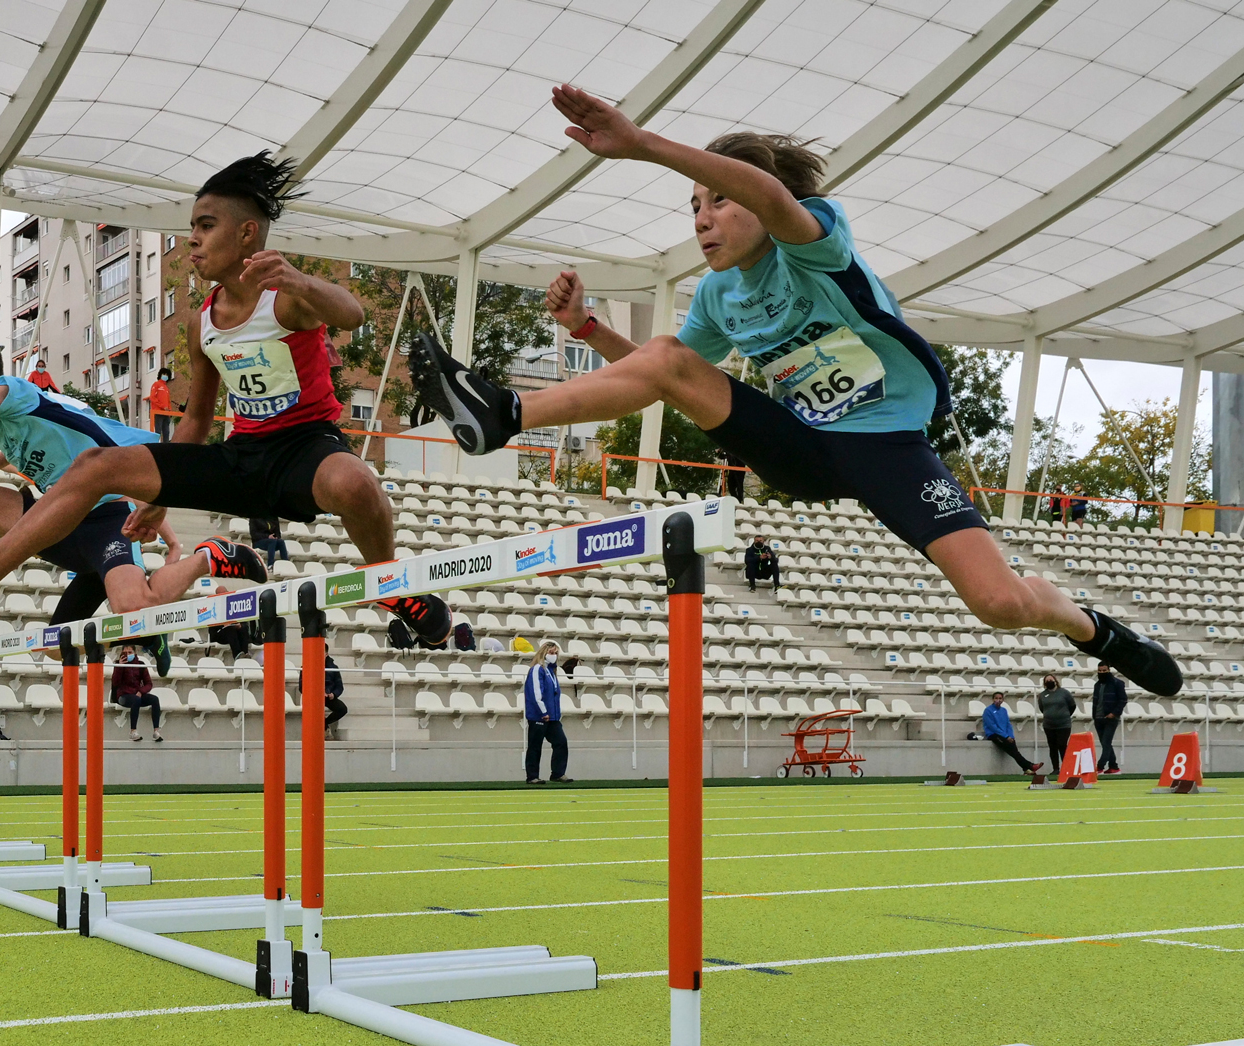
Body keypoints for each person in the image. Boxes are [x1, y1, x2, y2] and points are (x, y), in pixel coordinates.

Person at [407, 85, 1179, 698]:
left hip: (886, 446)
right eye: (695, 209)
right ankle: (504, 412)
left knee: (1000, 603)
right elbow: (661, 371)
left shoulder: (813, 242)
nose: (704, 221)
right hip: (801, 448)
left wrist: (641, 144)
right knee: (674, 354)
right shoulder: (720, 297)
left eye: (717, 200)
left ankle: (1095, 629)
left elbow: (774, 202)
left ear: (761, 198)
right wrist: (587, 329)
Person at [0, 153, 450, 647]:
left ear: (247, 235)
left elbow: (350, 315)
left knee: (355, 482)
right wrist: (161, 496)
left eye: (206, 226)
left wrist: (301, 280)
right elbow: (199, 415)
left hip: (305, 449)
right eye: (191, 227)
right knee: (95, 466)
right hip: (240, 455)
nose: (194, 239)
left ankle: (388, 580)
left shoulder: (286, 300)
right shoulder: (204, 322)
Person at [0, 333, 265, 651]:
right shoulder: (3, 426)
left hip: (105, 519)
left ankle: (209, 557)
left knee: (134, 612)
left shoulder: (14, 393)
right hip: (56, 521)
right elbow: (6, 460)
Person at [523, 641, 569, 784]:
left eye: (555, 653)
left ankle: (557, 773)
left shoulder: (551, 671)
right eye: (551, 653)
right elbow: (537, 692)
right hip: (540, 715)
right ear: (544, 653)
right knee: (535, 746)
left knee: (561, 742)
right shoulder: (538, 669)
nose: (554, 656)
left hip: (553, 717)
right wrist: (543, 711)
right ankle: (532, 776)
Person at [969, 691, 1040, 775]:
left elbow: (1008, 724)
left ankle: (1027, 768)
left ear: (1003, 700)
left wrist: (1011, 736)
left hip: (1005, 735)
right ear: (992, 699)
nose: (998, 700)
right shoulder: (988, 711)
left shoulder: (1004, 710)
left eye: (1000, 698)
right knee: (1013, 750)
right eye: (996, 698)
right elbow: (992, 727)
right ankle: (1030, 766)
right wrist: (1006, 736)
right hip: (994, 734)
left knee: (1014, 750)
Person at [111, 644, 162, 742]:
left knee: (154, 699)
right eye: (125, 653)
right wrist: (120, 667)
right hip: (123, 695)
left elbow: (149, 684)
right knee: (136, 700)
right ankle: (133, 731)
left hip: (137, 693)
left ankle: (156, 731)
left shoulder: (140, 665)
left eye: (130, 652)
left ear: (135, 653)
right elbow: (115, 682)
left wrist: (141, 691)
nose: (127, 654)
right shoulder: (118, 664)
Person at [1037, 674, 1077, 772]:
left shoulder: (1064, 693)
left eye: (1051, 680)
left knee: (1062, 744)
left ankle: (1066, 767)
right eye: (1047, 680)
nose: (1049, 682)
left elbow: (1072, 705)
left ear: (1055, 681)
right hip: (1049, 725)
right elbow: (1042, 708)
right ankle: (1056, 768)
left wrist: (1064, 715)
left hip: (1063, 724)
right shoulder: (1042, 695)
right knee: (1052, 747)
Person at [1092, 662, 1126, 775]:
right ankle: (1114, 767)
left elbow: (1123, 700)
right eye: (1100, 670)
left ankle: (1100, 766)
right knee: (1105, 743)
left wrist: (1114, 713)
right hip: (1098, 717)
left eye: (1104, 670)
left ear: (1109, 670)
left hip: (1110, 718)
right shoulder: (1097, 685)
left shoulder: (1117, 683)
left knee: (1106, 742)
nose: (1101, 672)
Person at [303, 652, 346, 737]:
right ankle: (321, 730)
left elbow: (339, 686)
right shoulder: (307, 666)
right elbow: (302, 686)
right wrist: (317, 692)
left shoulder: (334, 668)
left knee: (342, 709)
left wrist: (333, 694)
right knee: (315, 709)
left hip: (328, 697)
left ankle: (324, 723)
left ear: (326, 654)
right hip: (313, 696)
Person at [148, 369, 175, 440]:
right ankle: (156, 446)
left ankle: (166, 448)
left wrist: (170, 410)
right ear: (160, 374)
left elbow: (168, 401)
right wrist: (163, 406)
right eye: (164, 374)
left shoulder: (166, 388)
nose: (165, 376)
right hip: (158, 412)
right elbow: (152, 397)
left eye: (167, 375)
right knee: (158, 432)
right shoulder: (156, 384)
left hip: (166, 413)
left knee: (166, 432)